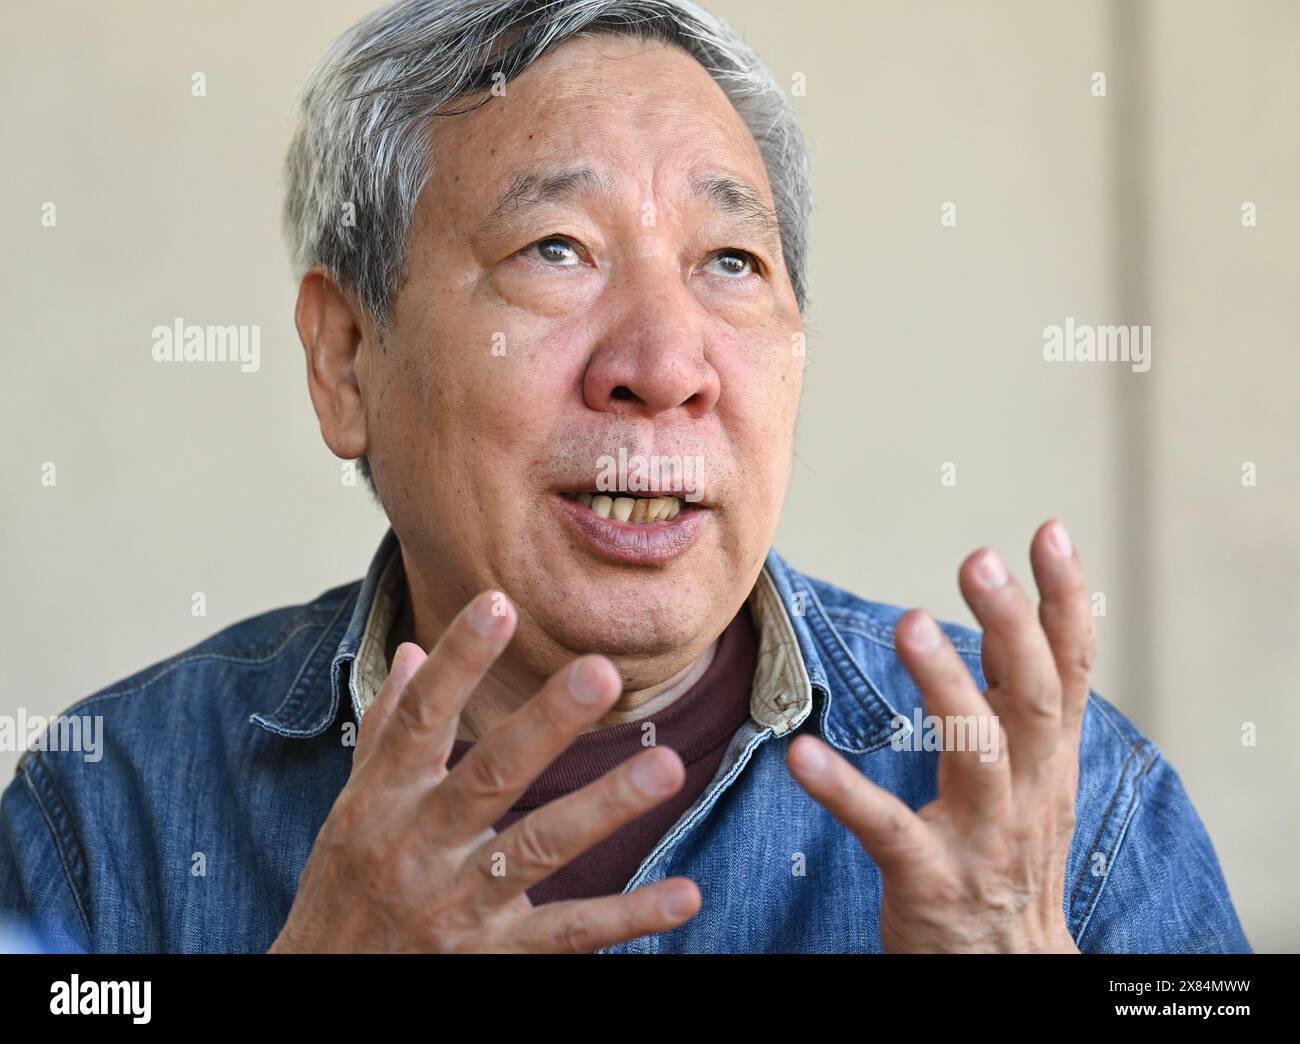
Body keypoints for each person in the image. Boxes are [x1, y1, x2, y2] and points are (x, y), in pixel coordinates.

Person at [0, 0, 1250, 953]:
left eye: (730, 262)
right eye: (557, 248)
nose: (664, 367)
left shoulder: (1060, 814)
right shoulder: (115, 809)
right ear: (346, 360)